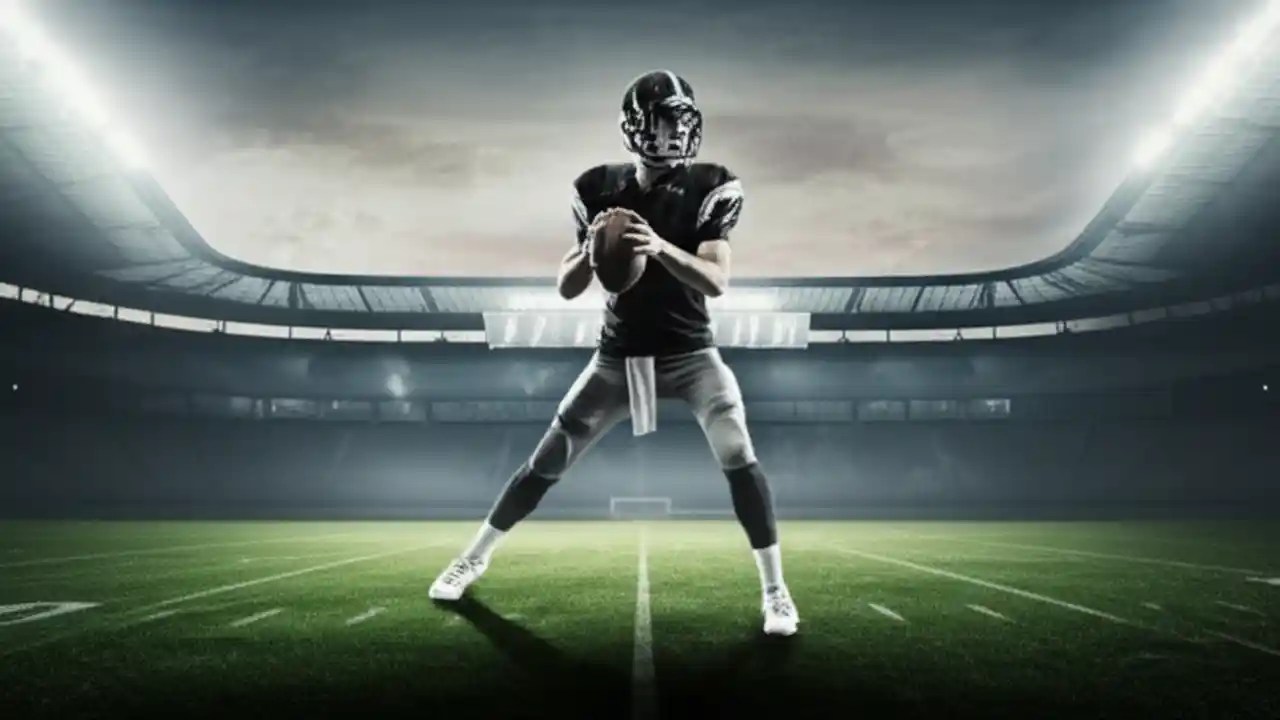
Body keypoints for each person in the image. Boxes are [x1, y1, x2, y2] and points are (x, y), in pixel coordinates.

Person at [429, 69, 798, 636]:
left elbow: (716, 281)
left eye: (684, 116)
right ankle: (472, 557)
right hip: (617, 357)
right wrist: (591, 249)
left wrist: (658, 246)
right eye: (668, 116)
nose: (679, 127)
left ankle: (776, 591)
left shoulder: (713, 184)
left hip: (690, 353)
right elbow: (568, 286)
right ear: (637, 124)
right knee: (547, 458)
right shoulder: (596, 187)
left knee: (737, 449)